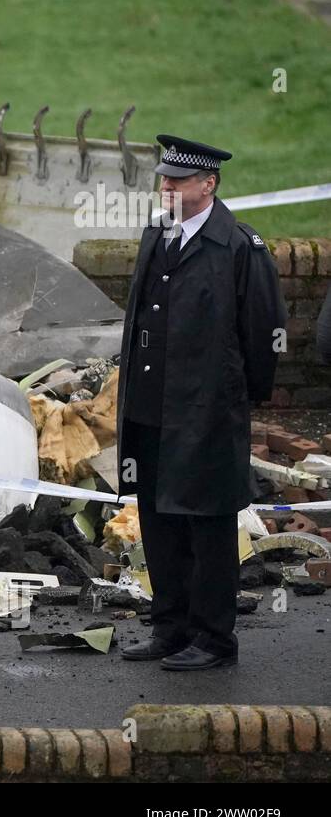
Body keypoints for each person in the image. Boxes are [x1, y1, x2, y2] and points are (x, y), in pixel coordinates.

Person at [116, 135, 286, 671]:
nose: (166, 186)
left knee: (208, 526)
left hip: (208, 410)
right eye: (163, 178)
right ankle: (171, 627)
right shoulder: (156, 233)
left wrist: (237, 399)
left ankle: (214, 639)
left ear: (207, 184)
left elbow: (264, 332)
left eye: (178, 180)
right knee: (159, 519)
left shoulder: (239, 246)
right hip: (151, 407)